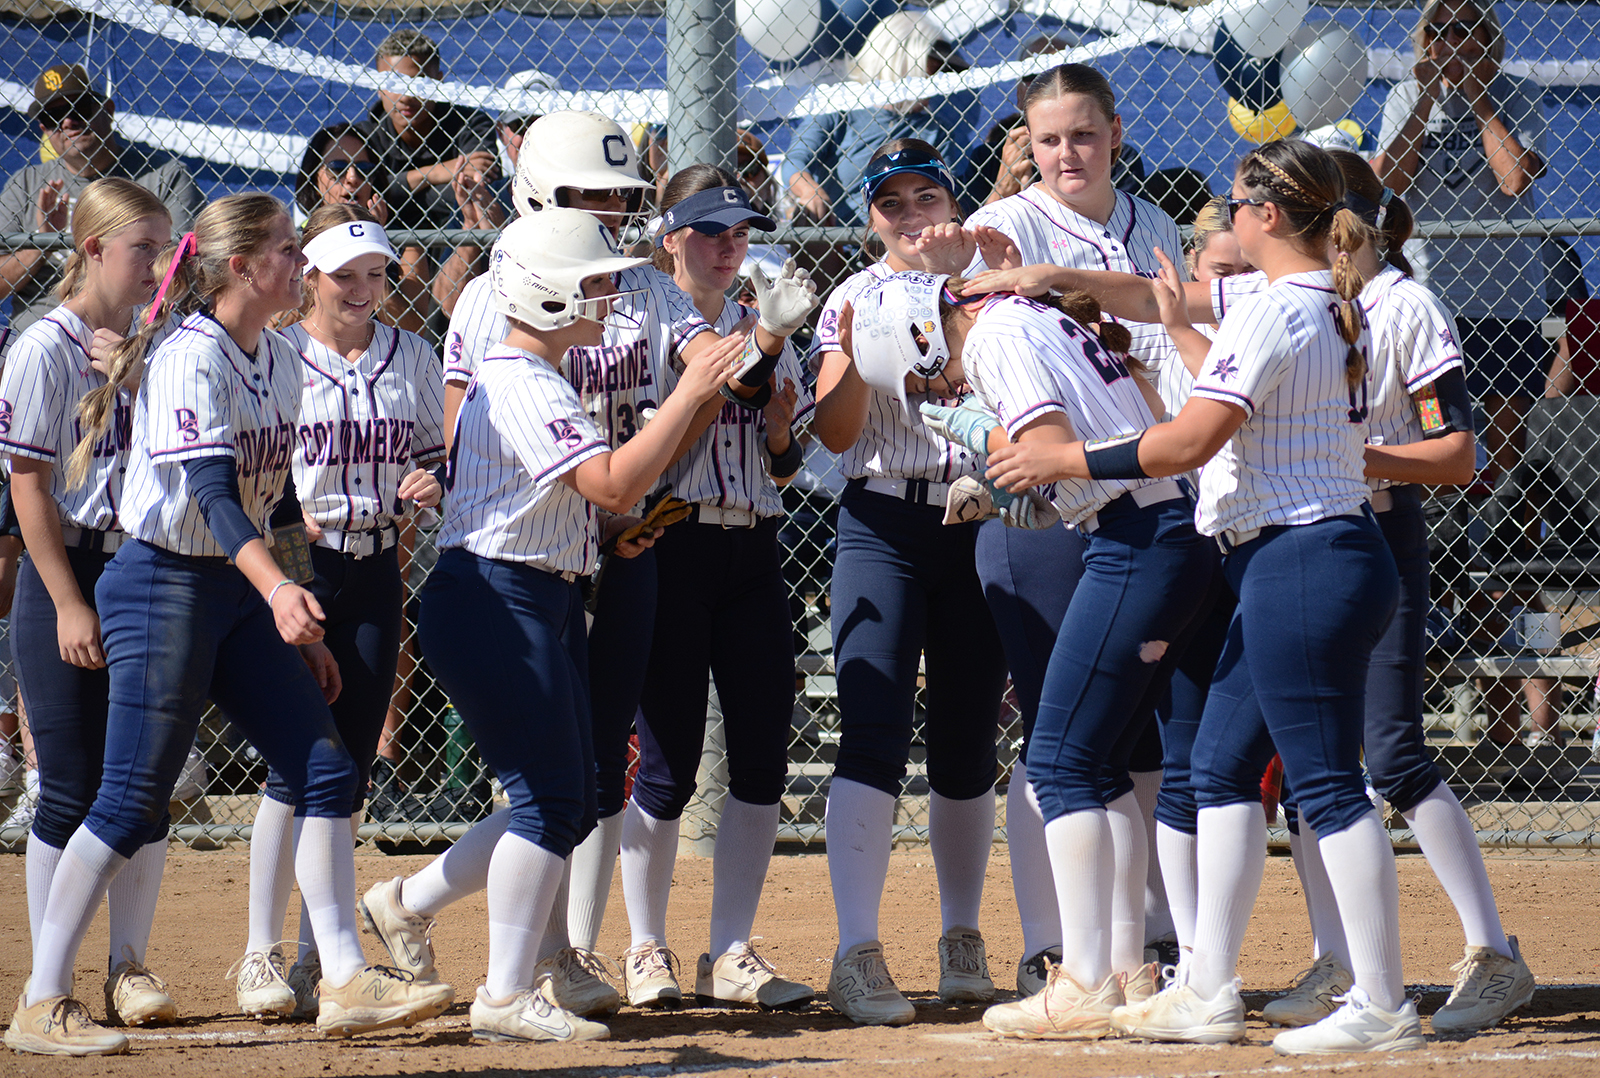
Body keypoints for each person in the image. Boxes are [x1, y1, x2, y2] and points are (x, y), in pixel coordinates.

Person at [986, 138, 1420, 1055]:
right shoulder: (1310, 292)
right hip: (1298, 557)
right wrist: (1047, 275)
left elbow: (1184, 444)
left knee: (1329, 783)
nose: (1225, 217)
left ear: (1267, 218)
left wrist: (1062, 459)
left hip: (1303, 558)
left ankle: (1382, 1001)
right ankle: (1206, 987)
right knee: (1218, 767)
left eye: (1236, 205)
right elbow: (1162, 301)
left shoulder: (1275, 311)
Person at [3, 192, 454, 1057]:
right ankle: (43, 996)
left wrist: (301, 613)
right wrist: (281, 594)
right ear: (242, 267)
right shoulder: (188, 357)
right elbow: (210, 492)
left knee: (326, 771)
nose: (301, 264)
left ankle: (348, 978)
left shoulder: (278, 355)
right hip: (161, 582)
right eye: (289, 251)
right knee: (131, 796)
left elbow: (277, 499)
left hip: (238, 591)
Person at [362, 109, 772, 1019]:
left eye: (625, 199)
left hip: (607, 539)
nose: (615, 216)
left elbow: (699, 360)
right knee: (550, 783)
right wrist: (596, 495)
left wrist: (726, 361)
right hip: (537, 534)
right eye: (595, 197)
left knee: (584, 777)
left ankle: (535, 951)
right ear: (546, 195)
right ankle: (532, 964)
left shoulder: (629, 278)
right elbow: (474, 431)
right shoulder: (506, 294)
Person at [1247, 149, 1534, 1037]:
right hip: (1296, 534)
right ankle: (1345, 958)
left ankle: (1494, 955)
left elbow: (1459, 455)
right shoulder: (1294, 304)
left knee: (1393, 755)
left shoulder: (1401, 305)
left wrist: (1345, 455)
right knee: (1304, 763)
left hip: (1376, 526)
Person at [963, 60, 1190, 989]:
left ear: (1115, 135)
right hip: (1052, 502)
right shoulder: (1010, 223)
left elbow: (1179, 346)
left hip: (1156, 489)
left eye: (1084, 135)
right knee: (1063, 729)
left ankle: (1149, 939)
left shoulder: (1156, 225)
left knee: (1137, 728)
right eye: (1049, 138)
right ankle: (1054, 940)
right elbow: (967, 327)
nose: (1068, 153)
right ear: (1027, 143)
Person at [810, 138, 1010, 1026]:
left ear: (953, 204)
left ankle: (962, 938)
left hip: (980, 515)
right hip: (886, 518)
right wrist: (856, 353)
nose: (909, 216)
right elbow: (838, 433)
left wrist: (962, 298)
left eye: (925, 196)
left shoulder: (999, 275)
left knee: (969, 738)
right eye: (890, 203)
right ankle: (857, 949)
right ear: (870, 218)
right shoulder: (852, 296)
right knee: (875, 727)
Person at [236, 206, 446, 1021]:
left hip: (377, 569)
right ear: (310, 278)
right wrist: (286, 550)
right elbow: (254, 474)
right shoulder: (281, 355)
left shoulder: (412, 355)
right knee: (296, 761)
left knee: (349, 768)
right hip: (299, 567)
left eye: (377, 275)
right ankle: (261, 952)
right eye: (344, 275)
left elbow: (435, 458)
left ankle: (319, 958)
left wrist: (432, 485)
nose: (363, 290)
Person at [618, 166, 817, 1010]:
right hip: (673, 544)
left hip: (754, 547)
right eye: (710, 231)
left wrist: (779, 433)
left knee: (764, 757)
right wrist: (766, 349)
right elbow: (726, 381)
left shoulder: (763, 312)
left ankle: (731, 949)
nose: (729, 245)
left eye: (738, 231)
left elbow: (786, 457)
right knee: (666, 765)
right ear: (671, 239)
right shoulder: (649, 314)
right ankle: (644, 946)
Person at [0, 177, 179, 1032]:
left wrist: (139, 380)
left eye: (162, 246)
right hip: (66, 567)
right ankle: (50, 982)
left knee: (143, 784)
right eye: (142, 246)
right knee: (70, 786)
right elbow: (28, 487)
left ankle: (130, 966)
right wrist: (68, 603)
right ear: (94, 249)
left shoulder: (154, 342)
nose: (156, 262)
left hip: (140, 567)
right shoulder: (45, 346)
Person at [1373, 0, 1547, 486]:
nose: (1454, 40)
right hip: (1429, 301)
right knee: (1434, 432)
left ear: (1489, 35)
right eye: (1441, 29)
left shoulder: (1520, 93)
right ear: (1427, 40)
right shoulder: (1406, 96)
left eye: (1467, 28)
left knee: (1508, 456)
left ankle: (1510, 545)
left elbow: (1514, 178)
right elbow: (1388, 185)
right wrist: (1427, 98)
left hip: (1506, 300)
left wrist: (1477, 93)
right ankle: (1441, 542)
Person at [0, 64, 202, 334]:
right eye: (53, 115)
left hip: (134, 334)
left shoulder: (164, 177)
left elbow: (185, 272)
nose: (68, 122)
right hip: (35, 332)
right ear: (44, 129)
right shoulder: (25, 184)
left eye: (79, 108)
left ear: (106, 110)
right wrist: (41, 242)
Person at [786, 11, 980, 226]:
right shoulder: (841, 106)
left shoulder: (936, 131)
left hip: (903, 238)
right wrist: (809, 190)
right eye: (931, 70)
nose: (938, 81)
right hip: (837, 241)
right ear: (903, 62)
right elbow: (795, 160)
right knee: (803, 218)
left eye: (942, 72)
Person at [291, 123, 429, 334]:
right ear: (314, 176)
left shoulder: (406, 242)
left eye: (365, 169)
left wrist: (373, 245)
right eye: (338, 168)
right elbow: (276, 327)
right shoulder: (291, 243)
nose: (353, 178)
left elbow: (414, 330)